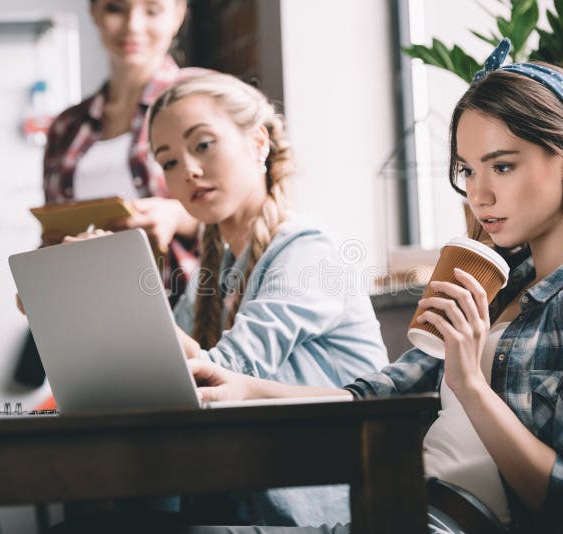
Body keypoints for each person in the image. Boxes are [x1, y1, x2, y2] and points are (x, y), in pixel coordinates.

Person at [179, 40, 563, 533]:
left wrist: (471, 386)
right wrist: (246, 389)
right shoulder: (498, 284)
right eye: (467, 170)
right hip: (392, 511)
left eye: (502, 166)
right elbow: (374, 399)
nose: (479, 195)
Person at [146, 72, 388, 527]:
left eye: (202, 145)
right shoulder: (212, 275)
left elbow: (228, 372)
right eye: (169, 162)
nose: (188, 171)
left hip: (327, 519)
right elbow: (169, 375)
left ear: (258, 144)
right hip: (239, 507)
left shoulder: (310, 254)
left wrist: (125, 308)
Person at [43, 0, 206, 301]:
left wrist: (178, 216)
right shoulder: (66, 127)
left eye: (152, 10)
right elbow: (53, 238)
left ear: (178, 14)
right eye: (115, 8)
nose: (133, 26)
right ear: (94, 13)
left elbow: (252, 212)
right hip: (89, 308)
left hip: (184, 307)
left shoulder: (206, 97)